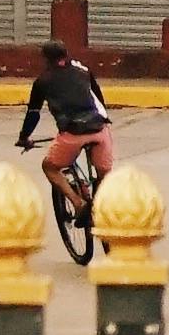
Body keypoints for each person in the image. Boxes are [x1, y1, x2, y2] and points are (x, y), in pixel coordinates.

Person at [14, 24, 115, 236]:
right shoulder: (84, 71)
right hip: (100, 129)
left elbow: (33, 113)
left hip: (73, 134)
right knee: (105, 173)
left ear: (45, 59)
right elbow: (99, 99)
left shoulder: (43, 81)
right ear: (66, 54)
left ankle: (79, 203)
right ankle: (104, 207)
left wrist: (24, 138)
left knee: (50, 167)